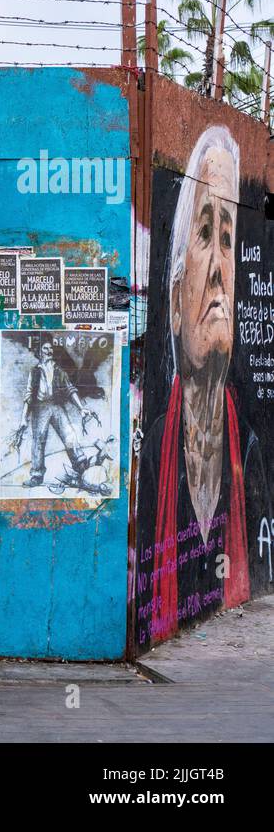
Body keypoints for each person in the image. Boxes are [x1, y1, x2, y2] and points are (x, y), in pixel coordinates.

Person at [137, 125, 269, 645]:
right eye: (205, 233)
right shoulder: (151, 460)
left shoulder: (251, 455)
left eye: (230, 238)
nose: (219, 269)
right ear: (173, 301)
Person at [14, 338, 106, 494]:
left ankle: (81, 466)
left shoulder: (59, 371)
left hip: (56, 405)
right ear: (39, 352)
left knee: (69, 434)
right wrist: (23, 418)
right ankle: (36, 476)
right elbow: (29, 395)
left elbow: (70, 390)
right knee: (38, 440)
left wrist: (82, 408)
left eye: (50, 349)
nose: (49, 351)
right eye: (45, 349)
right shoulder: (35, 372)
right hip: (40, 408)